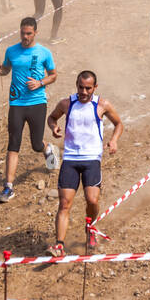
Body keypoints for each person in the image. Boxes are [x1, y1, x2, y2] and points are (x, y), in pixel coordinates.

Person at [46, 71, 124, 256]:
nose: (83, 91)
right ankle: (59, 245)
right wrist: (54, 127)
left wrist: (114, 140)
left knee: (92, 200)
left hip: (91, 159)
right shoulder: (67, 103)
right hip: (71, 159)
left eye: (88, 88)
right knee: (64, 204)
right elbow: (52, 118)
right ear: (76, 85)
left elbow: (119, 123)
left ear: (95, 88)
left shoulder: (101, 104)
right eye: (80, 87)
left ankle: (90, 228)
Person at [0, 18, 57, 203]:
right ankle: (8, 187)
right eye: (22, 33)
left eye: (29, 33)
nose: (25, 37)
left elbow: (53, 75)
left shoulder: (44, 52)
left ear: (36, 32)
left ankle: (48, 149)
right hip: (16, 103)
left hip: (37, 102)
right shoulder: (11, 51)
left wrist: (40, 82)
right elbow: (6, 69)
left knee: (36, 144)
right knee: (13, 143)